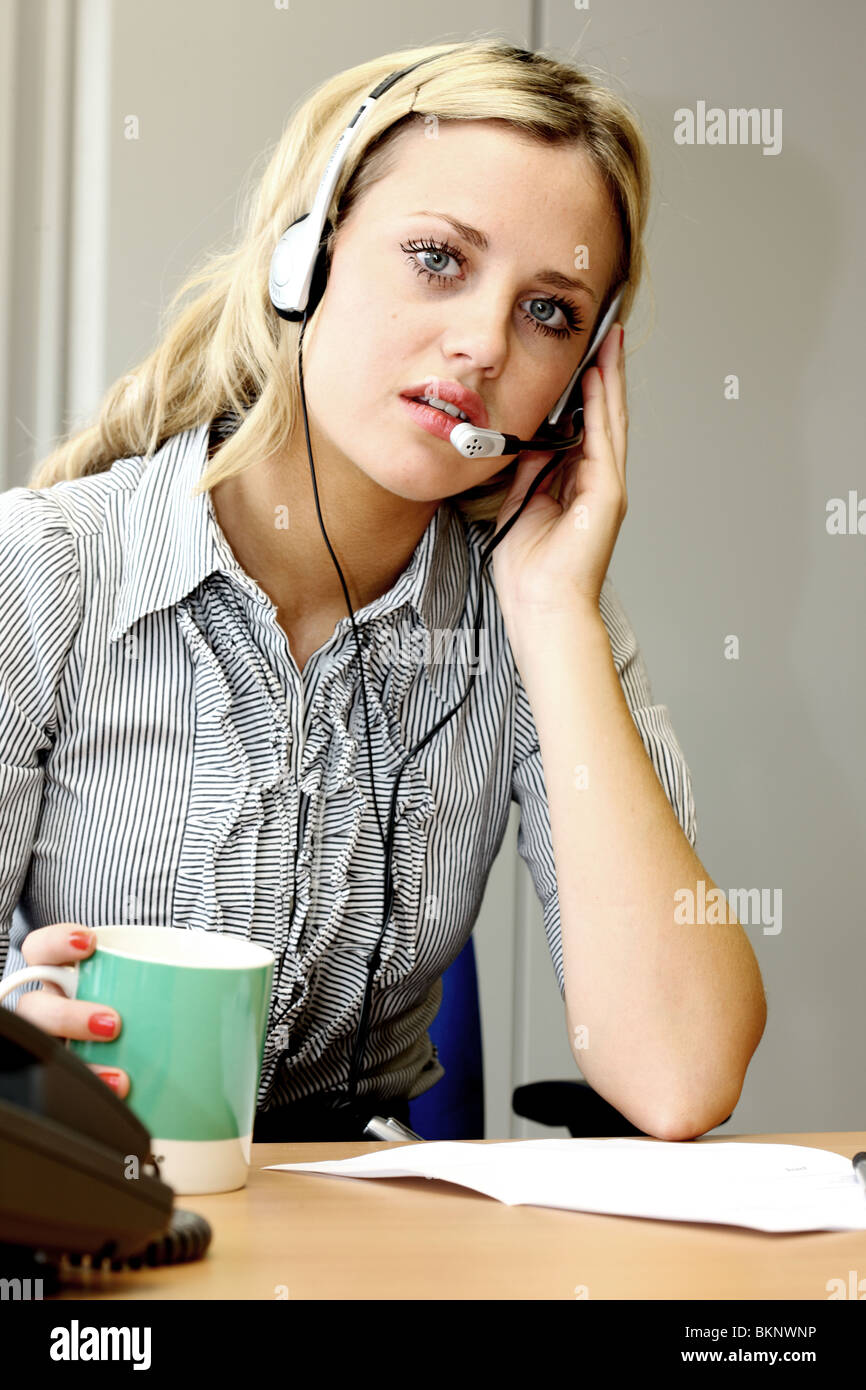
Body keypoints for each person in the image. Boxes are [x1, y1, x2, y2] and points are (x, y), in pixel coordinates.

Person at [0, 39, 765, 1142]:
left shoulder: (543, 614)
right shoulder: (50, 567)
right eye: (437, 258)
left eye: (548, 311)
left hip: (365, 1240)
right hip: (79, 1199)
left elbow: (680, 1074)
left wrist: (551, 614)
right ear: (302, 256)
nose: (480, 345)